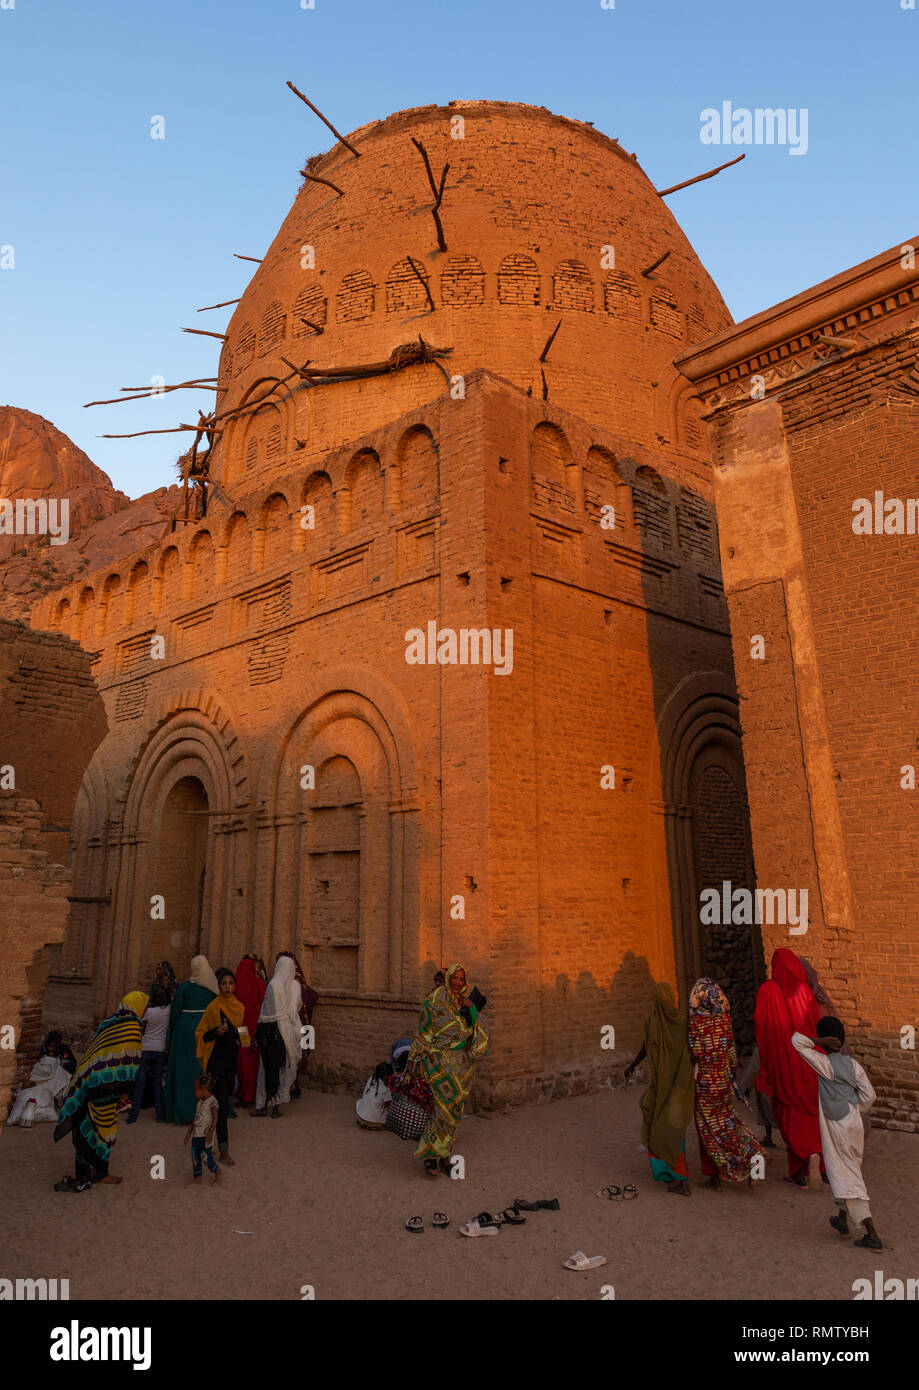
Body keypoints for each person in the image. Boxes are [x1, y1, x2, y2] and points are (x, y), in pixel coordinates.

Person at [792, 1018, 881, 1249]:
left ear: (825, 1040)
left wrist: (818, 1041)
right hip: (854, 1121)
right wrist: (854, 1107)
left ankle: (872, 1234)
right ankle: (842, 1221)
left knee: (847, 1175)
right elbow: (869, 1096)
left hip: (837, 1124)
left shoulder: (824, 1063)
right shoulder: (853, 1065)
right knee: (849, 1167)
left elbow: (797, 1041)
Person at [52, 992, 148, 1192]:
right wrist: (124, 1090)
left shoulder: (109, 1023)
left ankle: (83, 1174)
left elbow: (95, 1051)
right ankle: (102, 1174)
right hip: (106, 1086)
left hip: (88, 1080)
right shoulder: (132, 1027)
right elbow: (130, 1060)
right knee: (105, 1130)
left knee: (85, 1123)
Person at [407, 963, 488, 1176]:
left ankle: (444, 1156)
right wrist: (418, 1059)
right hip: (438, 1064)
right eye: (455, 978)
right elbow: (423, 1031)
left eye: (461, 979)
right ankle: (430, 1158)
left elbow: (475, 1028)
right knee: (441, 1111)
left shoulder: (465, 1001)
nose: (457, 983)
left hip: (462, 1067)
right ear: (448, 978)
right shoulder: (433, 1001)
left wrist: (471, 1007)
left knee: (454, 1113)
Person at [754, 948, 823, 1189]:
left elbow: (763, 1030)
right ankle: (809, 1163)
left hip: (784, 1065)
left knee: (789, 1114)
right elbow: (817, 1027)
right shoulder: (804, 991)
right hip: (810, 1062)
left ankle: (807, 1157)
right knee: (811, 1114)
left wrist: (768, 1065)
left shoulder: (768, 991)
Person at [688, 977, 766, 1189]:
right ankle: (751, 1155)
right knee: (727, 1124)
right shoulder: (724, 1021)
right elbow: (732, 1055)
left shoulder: (696, 1023)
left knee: (708, 1129)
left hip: (704, 1084)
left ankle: (715, 1177)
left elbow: (694, 1053)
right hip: (723, 1083)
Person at [625, 982, 694, 1196]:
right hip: (675, 1087)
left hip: (672, 1087)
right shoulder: (680, 1023)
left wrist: (633, 1064)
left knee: (670, 1131)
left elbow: (648, 1047)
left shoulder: (658, 1021)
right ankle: (669, 1173)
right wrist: (633, 1064)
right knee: (662, 1127)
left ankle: (682, 1181)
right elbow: (648, 1046)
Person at [196, 967, 248, 1165]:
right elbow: (200, 1033)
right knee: (223, 1108)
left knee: (218, 1105)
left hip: (230, 1062)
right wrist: (214, 1032)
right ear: (218, 986)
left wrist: (245, 1039)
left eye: (230, 983)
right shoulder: (213, 1007)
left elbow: (242, 1032)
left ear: (235, 986)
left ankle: (205, 1145)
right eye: (223, 984)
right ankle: (224, 1150)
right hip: (215, 1062)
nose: (227, 987)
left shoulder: (239, 1007)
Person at [164, 955, 218, 1125]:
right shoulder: (212, 988)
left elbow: (175, 1012)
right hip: (204, 1032)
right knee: (201, 1070)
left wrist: (170, 1031)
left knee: (182, 1071)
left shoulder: (184, 987)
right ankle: (202, 1111)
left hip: (184, 1032)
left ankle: (180, 1111)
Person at [252, 954, 301, 1118]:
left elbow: (267, 1013)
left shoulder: (273, 984)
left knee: (267, 1068)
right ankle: (276, 1108)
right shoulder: (295, 986)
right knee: (282, 1068)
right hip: (288, 1031)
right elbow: (296, 1010)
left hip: (273, 1031)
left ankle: (263, 1105)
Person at [126, 984, 170, 1123]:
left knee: (140, 1083)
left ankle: (133, 1115)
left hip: (145, 1048)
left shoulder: (149, 1012)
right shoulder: (168, 1010)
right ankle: (160, 1115)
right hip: (160, 1049)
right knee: (157, 1082)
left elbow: (140, 1026)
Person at [277, 951, 318, 1100]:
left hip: (301, 1027)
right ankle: (292, 1087)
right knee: (293, 1056)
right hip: (302, 1028)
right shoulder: (285, 983)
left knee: (298, 1055)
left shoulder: (296, 985)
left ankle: (292, 1086)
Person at [234, 953, 267, 1106]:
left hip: (242, 1028)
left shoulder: (237, 984)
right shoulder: (260, 983)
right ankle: (250, 1094)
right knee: (252, 1061)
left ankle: (244, 1093)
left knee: (243, 1059)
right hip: (256, 1027)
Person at [185, 1074, 221, 1184]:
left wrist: (210, 1132)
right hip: (196, 1135)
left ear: (204, 1089)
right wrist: (189, 1131)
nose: (195, 1093)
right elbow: (196, 1119)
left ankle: (216, 1170)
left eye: (196, 1090)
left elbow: (215, 1119)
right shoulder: (199, 1103)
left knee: (205, 1157)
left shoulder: (213, 1102)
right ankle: (197, 1176)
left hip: (205, 1136)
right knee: (195, 1157)